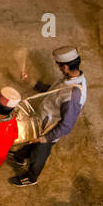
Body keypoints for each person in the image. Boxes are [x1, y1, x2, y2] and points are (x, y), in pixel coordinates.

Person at [10, 46, 87, 187]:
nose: (57, 66)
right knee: (31, 141)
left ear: (65, 67)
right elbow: (52, 91)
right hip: (43, 120)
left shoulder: (73, 96)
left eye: (58, 64)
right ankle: (19, 157)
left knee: (39, 152)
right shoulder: (71, 78)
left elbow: (66, 125)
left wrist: (46, 138)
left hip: (49, 129)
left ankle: (32, 177)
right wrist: (31, 82)